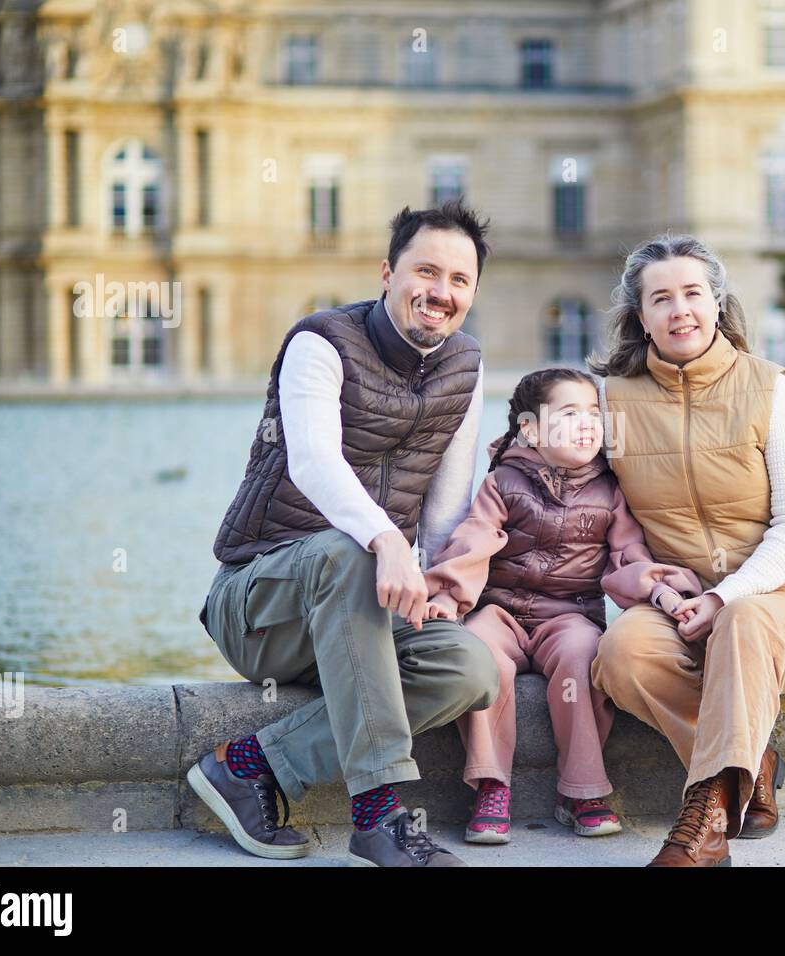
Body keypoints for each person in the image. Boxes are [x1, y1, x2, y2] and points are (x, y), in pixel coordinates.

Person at [191, 200, 500, 867]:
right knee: (349, 550)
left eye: (459, 281)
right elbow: (313, 463)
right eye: (426, 272)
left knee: (470, 668)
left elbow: (446, 506)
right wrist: (387, 540)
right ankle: (380, 815)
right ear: (387, 273)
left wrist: (443, 586)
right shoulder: (320, 342)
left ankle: (247, 767)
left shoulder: (466, 368)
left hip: (361, 610)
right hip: (261, 603)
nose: (441, 293)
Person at [588, 233, 785, 867]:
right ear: (640, 316)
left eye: (693, 294)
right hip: (677, 607)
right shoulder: (610, 399)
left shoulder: (766, 387)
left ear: (717, 303)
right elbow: (582, 502)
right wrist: (515, 459)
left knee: (744, 618)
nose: (680, 310)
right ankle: (753, 759)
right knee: (620, 653)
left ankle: (704, 824)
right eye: (661, 298)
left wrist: (723, 595)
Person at [421, 368, 704, 844]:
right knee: (481, 654)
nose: (587, 423)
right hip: (500, 610)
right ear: (530, 430)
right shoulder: (504, 480)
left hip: (568, 614)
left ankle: (581, 790)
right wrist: (448, 597)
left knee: (582, 656)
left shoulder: (610, 490)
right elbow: (475, 539)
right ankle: (491, 784)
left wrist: (663, 592)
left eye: (594, 413)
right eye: (570, 413)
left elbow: (627, 557)